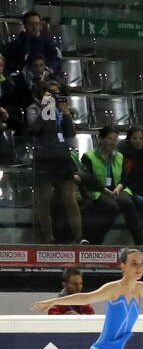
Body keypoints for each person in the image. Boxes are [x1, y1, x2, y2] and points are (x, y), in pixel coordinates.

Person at [25, 80, 81, 244]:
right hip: (44, 158)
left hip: (62, 157)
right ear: (42, 93)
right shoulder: (34, 109)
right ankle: (49, 239)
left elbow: (70, 134)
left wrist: (66, 113)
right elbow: (33, 129)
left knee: (70, 199)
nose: (54, 96)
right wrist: (45, 110)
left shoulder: (62, 109)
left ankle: (79, 238)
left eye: (57, 93)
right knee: (44, 200)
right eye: (50, 92)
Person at [80, 126, 143, 245]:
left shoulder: (119, 156)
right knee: (112, 207)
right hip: (98, 190)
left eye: (115, 140)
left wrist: (118, 187)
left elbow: (125, 177)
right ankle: (95, 240)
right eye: (109, 139)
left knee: (127, 203)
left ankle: (140, 242)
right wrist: (106, 191)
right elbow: (89, 179)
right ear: (100, 139)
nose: (112, 143)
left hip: (117, 189)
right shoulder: (88, 157)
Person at [3, 10, 63, 76]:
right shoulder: (16, 45)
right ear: (25, 25)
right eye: (30, 24)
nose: (34, 27)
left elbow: (56, 59)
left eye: (37, 23)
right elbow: (8, 62)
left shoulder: (48, 43)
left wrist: (48, 69)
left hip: (44, 78)